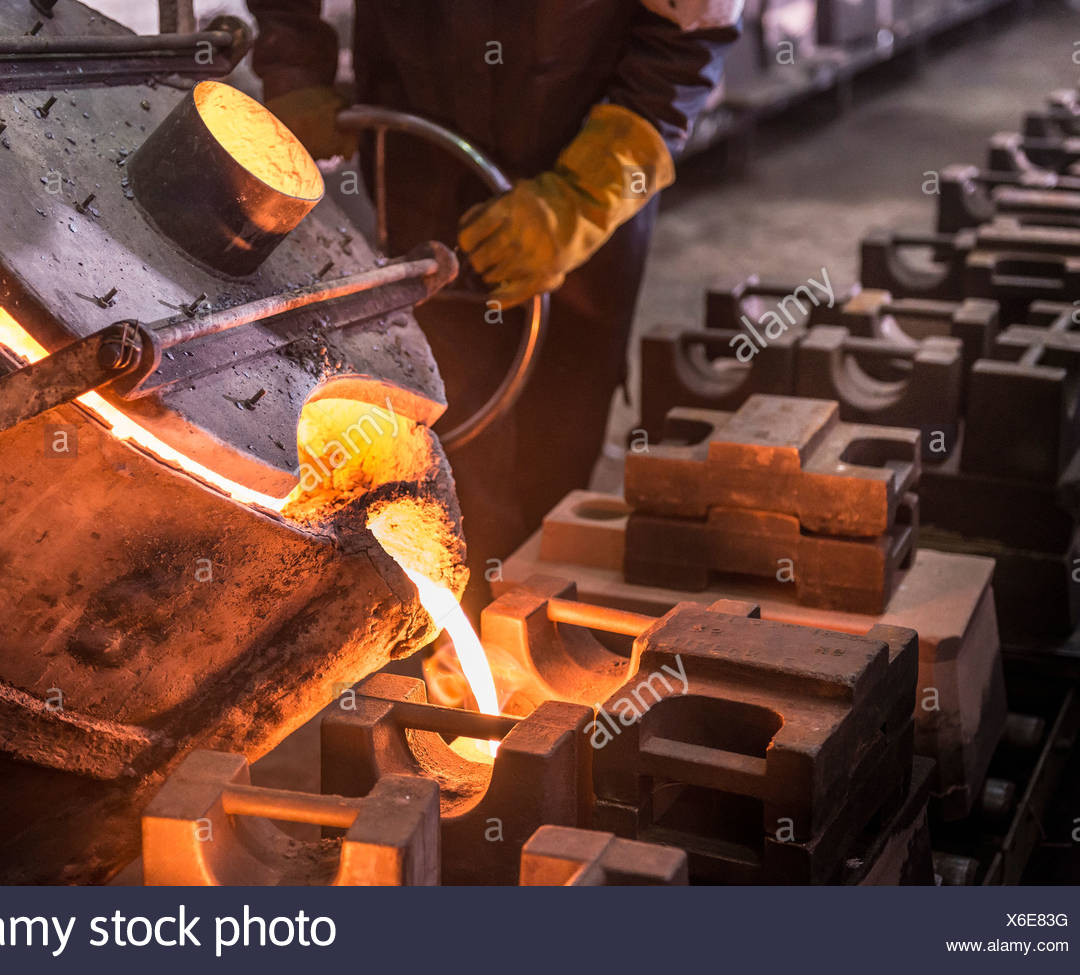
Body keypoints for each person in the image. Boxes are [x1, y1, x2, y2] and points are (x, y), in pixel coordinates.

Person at [247, 0, 741, 608]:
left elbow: (688, 35)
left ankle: (537, 635)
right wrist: (296, 72)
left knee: (556, 454)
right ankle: (456, 649)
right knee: (445, 454)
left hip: (586, 183)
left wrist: (580, 200)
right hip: (423, 169)